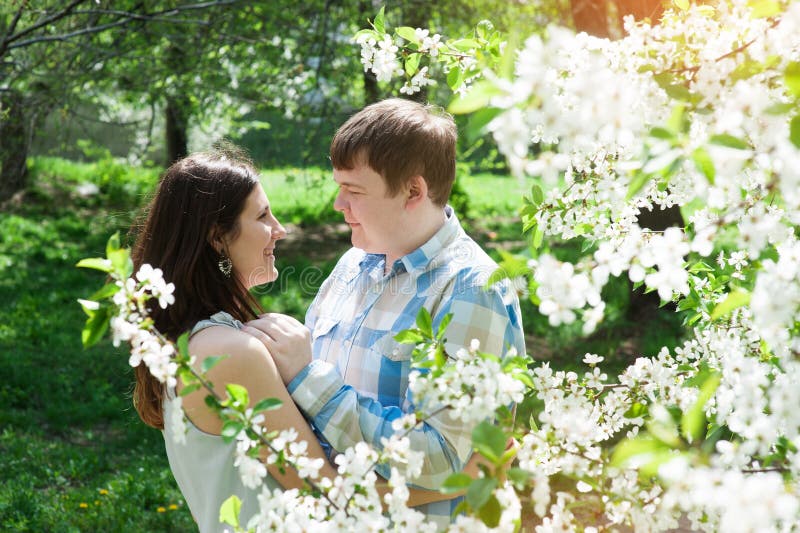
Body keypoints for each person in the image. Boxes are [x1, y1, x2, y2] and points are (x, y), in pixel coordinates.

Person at [130, 149, 461, 533]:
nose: (280, 228)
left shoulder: (190, 340)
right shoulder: (233, 354)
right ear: (218, 238)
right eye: (262, 216)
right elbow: (331, 496)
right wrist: (463, 476)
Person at [245, 98, 527, 528]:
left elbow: (441, 458)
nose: (338, 204)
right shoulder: (352, 264)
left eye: (354, 191)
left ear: (414, 191)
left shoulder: (472, 289)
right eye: (339, 186)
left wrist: (308, 378)